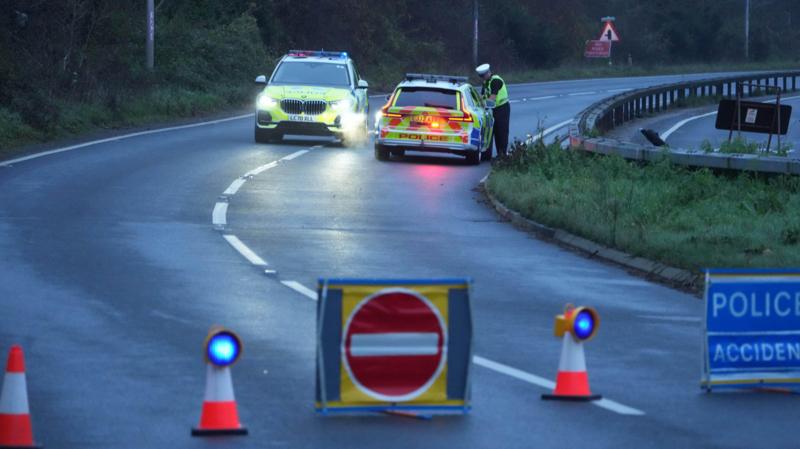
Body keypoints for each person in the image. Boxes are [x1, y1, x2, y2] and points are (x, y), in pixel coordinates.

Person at [476, 63, 510, 161]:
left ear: (488, 73)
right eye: (481, 76)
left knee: (502, 131)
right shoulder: (486, 82)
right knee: (494, 131)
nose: (482, 78)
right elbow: (482, 96)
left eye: (483, 76)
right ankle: (499, 155)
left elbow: (492, 98)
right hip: (494, 109)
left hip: (502, 108)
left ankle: (503, 155)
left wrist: (484, 106)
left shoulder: (496, 80)